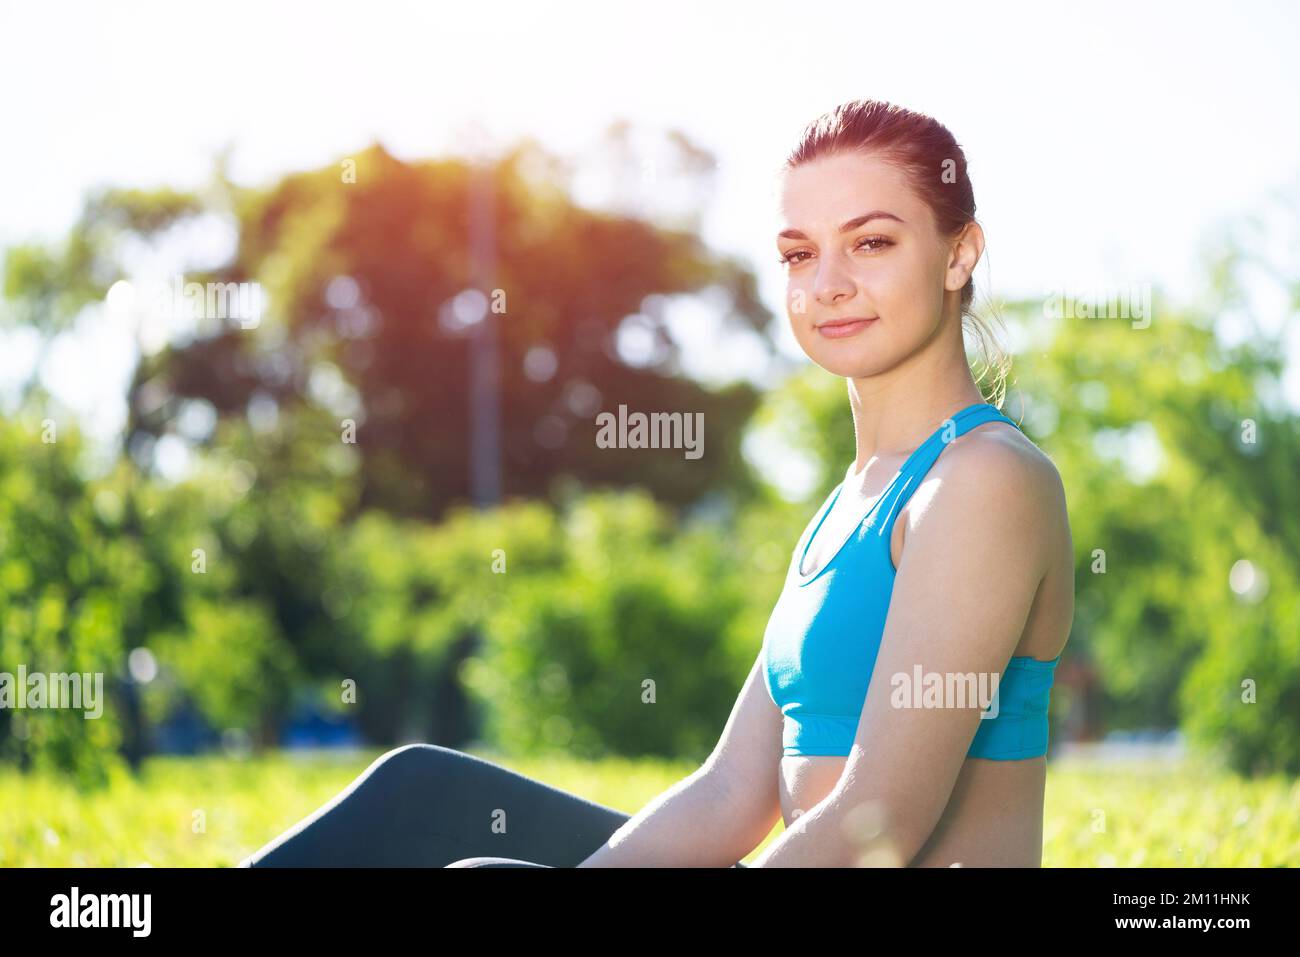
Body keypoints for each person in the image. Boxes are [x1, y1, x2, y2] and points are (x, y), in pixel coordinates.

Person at [241, 98, 1073, 868]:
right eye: (799, 252)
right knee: (424, 794)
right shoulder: (848, 501)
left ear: (959, 253)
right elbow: (729, 795)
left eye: (872, 242)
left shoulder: (984, 480)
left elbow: (882, 819)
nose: (827, 284)